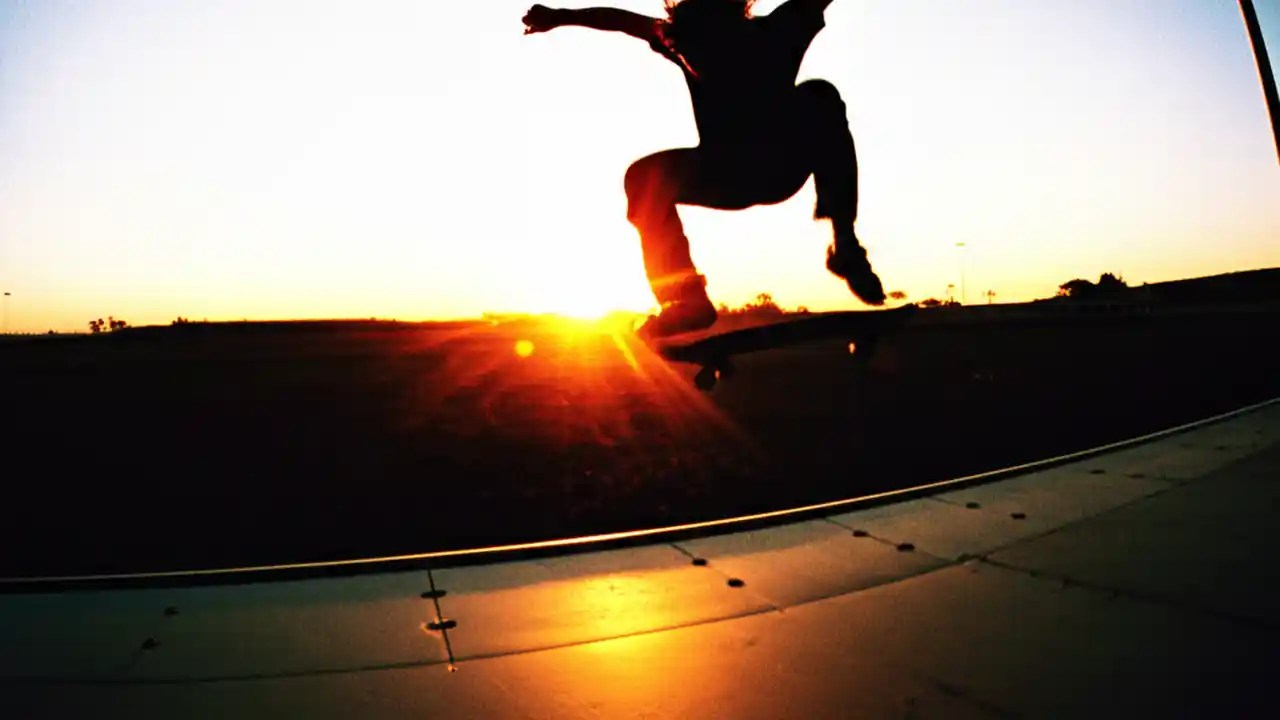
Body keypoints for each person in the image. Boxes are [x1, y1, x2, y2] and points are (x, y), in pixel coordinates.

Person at [523, 0, 885, 338]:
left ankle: (845, 244)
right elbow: (620, 21)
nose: (699, 63)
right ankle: (685, 298)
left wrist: (559, 17)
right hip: (724, 174)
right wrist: (558, 17)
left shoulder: (778, 30)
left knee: (819, 95)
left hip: (780, 165)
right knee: (643, 178)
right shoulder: (679, 38)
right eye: (691, 54)